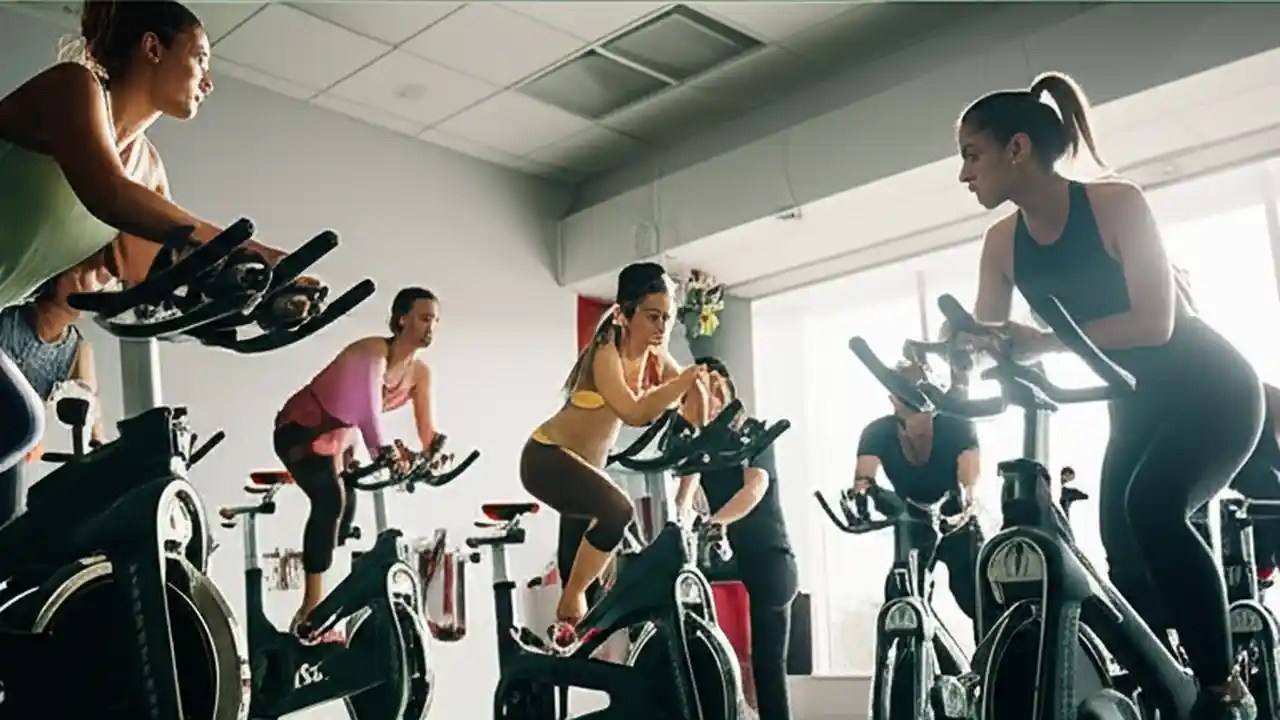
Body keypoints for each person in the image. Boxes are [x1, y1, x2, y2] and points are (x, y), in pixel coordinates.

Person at [957, 70, 1264, 718]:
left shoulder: (1115, 204)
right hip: (1134, 403)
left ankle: (1222, 688)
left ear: (1017, 148)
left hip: (1211, 390)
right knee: (1119, 549)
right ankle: (1164, 690)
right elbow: (991, 338)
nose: (965, 174)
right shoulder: (1001, 243)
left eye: (972, 155)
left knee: (1152, 507)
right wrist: (951, 353)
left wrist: (1038, 342)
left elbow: (1156, 324)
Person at [0, 0, 301, 475]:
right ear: (153, 49)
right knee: (18, 422)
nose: (208, 81)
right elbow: (109, 194)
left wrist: (258, 294)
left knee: (16, 425)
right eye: (200, 57)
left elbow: (158, 277)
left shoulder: (149, 170)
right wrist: (250, 249)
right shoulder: (74, 88)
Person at [521, 261, 707, 628]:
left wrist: (697, 394)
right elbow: (634, 411)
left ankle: (575, 626)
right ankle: (572, 598)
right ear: (624, 314)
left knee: (587, 597)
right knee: (618, 511)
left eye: (667, 318)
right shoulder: (607, 351)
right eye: (652, 317)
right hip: (547, 459)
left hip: (583, 472)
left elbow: (688, 400)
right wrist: (684, 381)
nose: (661, 328)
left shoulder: (653, 351)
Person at [273, 286, 444, 642]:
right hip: (301, 430)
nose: (431, 327)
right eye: (425, 318)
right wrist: (383, 452)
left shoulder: (419, 373)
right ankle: (309, 611)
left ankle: (332, 595)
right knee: (329, 501)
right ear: (402, 319)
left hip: (340, 440)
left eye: (435, 321)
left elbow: (426, 431)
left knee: (345, 515)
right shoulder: (371, 352)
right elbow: (367, 413)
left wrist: (434, 453)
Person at [673, 356, 796, 720]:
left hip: (767, 554)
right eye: (697, 390)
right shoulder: (696, 442)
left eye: (714, 388)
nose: (707, 397)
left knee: (767, 668)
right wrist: (680, 519)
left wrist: (715, 522)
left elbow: (755, 487)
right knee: (703, 659)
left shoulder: (754, 433)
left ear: (727, 390)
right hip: (719, 560)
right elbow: (685, 492)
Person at [852, 360, 983, 630]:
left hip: (954, 521)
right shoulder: (877, 432)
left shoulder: (957, 426)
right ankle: (909, 654)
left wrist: (962, 510)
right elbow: (864, 480)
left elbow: (969, 487)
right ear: (892, 398)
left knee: (976, 599)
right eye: (904, 390)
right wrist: (864, 500)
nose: (912, 395)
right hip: (913, 521)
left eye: (919, 387)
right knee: (901, 598)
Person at [0, 261, 111, 525]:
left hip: (11, 444)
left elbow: (91, 412)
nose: (88, 282)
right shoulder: (11, 313)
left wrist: (99, 448)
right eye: (79, 271)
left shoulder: (77, 350)